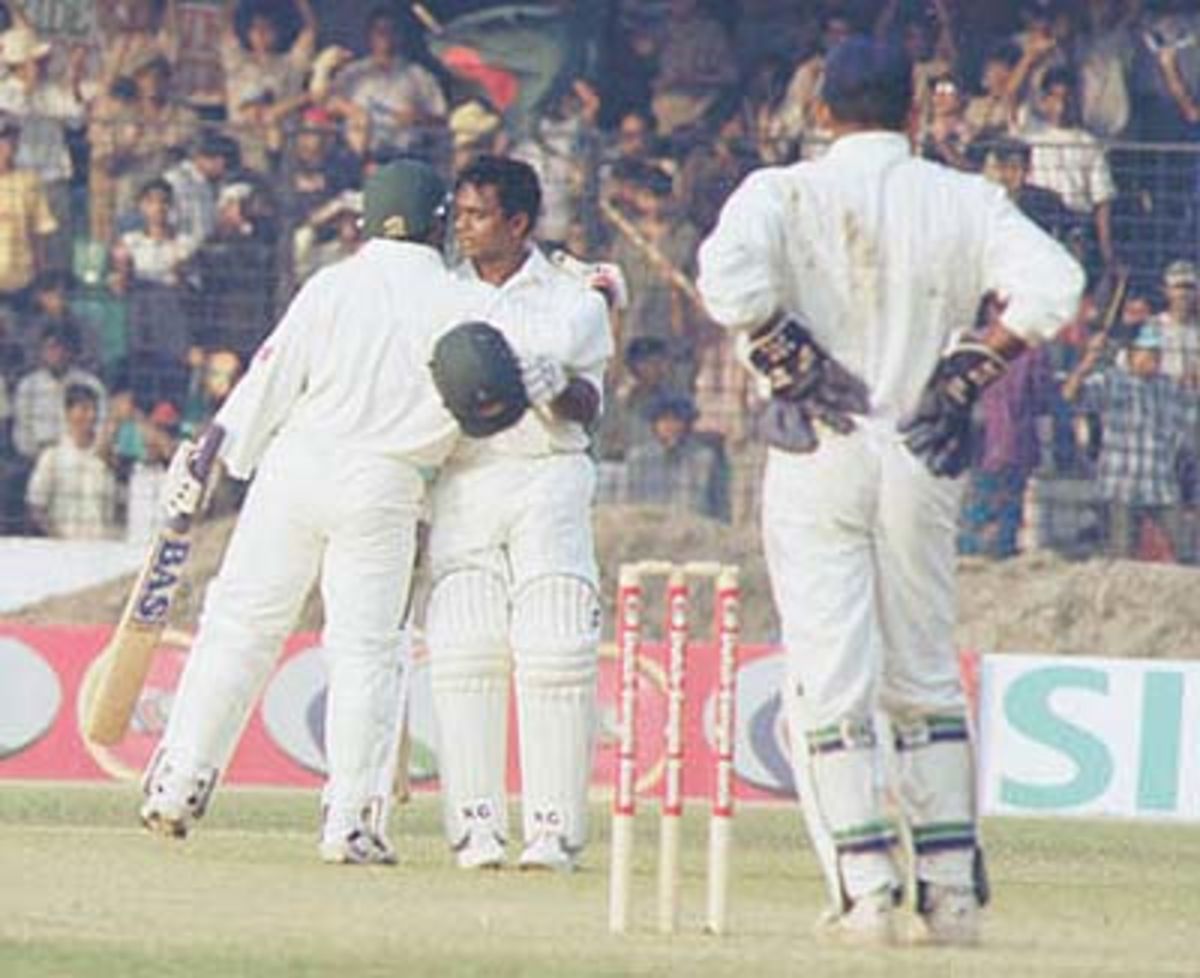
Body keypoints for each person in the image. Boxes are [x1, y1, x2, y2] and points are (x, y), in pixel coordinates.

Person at [696, 36, 1083, 946]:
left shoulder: (781, 191)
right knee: (920, 671)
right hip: (920, 442)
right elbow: (1055, 285)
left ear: (820, 112)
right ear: (914, 113)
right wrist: (969, 371)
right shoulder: (962, 196)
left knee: (831, 675)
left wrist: (788, 356)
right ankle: (951, 895)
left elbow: (728, 283)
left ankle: (866, 892)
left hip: (819, 443)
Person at [138, 160, 497, 865]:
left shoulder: (332, 284)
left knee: (237, 627)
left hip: (295, 469)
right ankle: (351, 822)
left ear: (366, 220)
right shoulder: (464, 304)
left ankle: (177, 784)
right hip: (385, 484)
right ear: (440, 224)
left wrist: (209, 457)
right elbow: (474, 414)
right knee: (367, 653)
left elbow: (268, 378)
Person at [422, 155, 613, 871]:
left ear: (518, 222)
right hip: (466, 479)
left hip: (547, 474)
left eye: (477, 215)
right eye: (459, 213)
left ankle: (553, 831)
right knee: (466, 642)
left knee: (557, 643)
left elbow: (589, 411)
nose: (462, 227)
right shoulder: (438, 297)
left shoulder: (574, 299)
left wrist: (553, 386)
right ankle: (474, 826)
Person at [1063, 323, 1199, 562]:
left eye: (1157, 354)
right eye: (1147, 353)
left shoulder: (1169, 388)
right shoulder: (1111, 381)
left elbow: (1190, 417)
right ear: (1132, 355)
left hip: (1160, 485)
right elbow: (1071, 395)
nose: (1154, 359)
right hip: (1120, 485)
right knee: (1123, 555)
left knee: (1188, 550)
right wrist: (1087, 363)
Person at [25, 383, 117, 539]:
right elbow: (36, 506)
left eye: (94, 410)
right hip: (64, 546)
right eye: (83, 409)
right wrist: (56, 537)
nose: (90, 416)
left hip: (103, 544)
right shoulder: (52, 456)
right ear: (68, 412)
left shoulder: (108, 455)